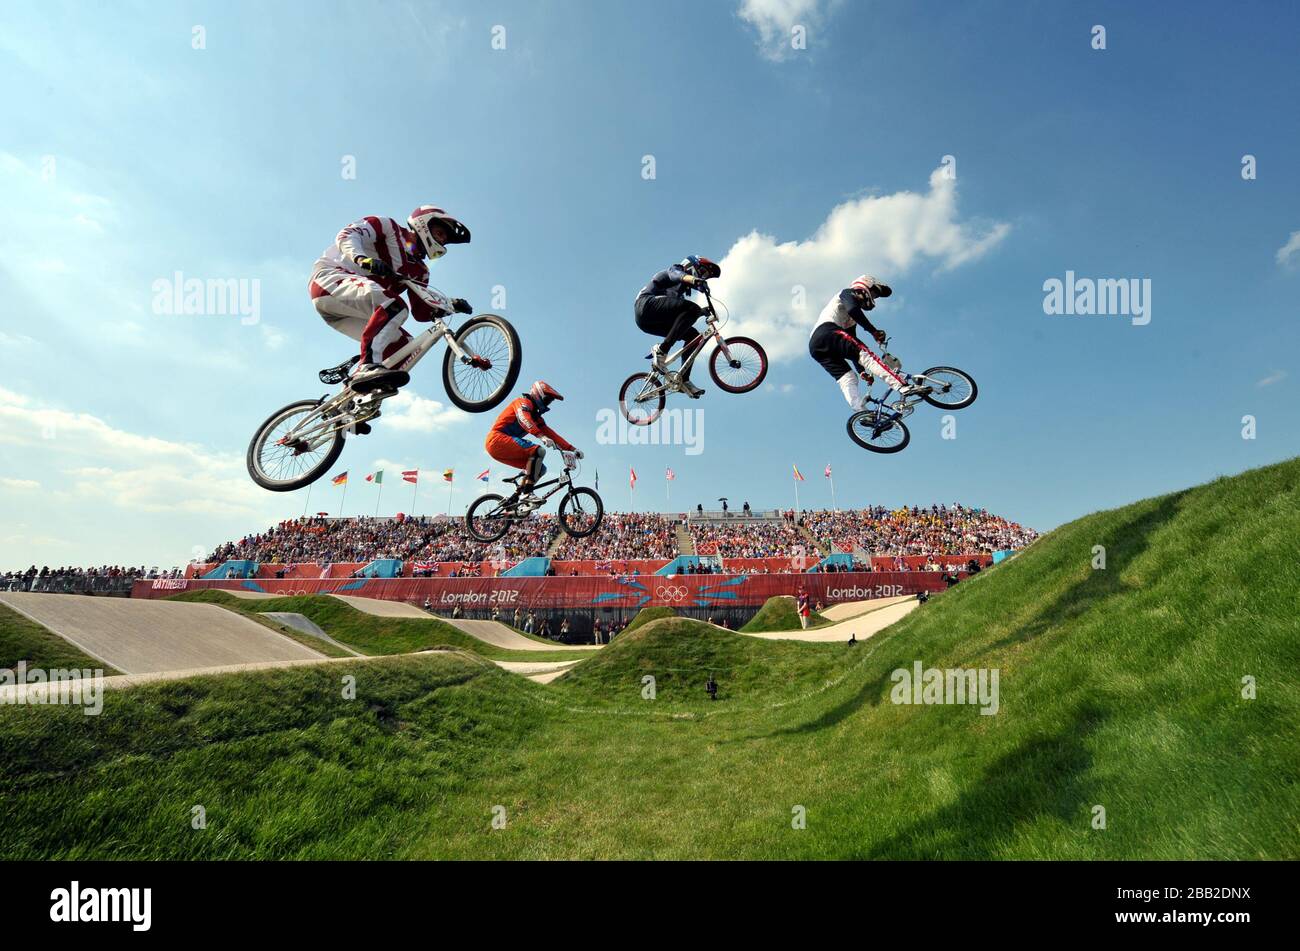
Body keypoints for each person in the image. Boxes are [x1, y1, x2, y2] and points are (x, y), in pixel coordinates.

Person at [310, 206, 473, 393]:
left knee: (405, 350)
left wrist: (451, 304)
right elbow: (347, 235)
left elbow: (421, 311)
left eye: (446, 239)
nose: (443, 240)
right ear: (423, 222)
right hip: (329, 279)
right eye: (440, 232)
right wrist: (362, 259)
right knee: (395, 305)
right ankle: (367, 365)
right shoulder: (388, 227)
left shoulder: (421, 271)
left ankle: (351, 404)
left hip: (347, 312)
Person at [808, 275, 924, 411]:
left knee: (848, 377)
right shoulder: (847, 293)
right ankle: (902, 386)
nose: (873, 298)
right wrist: (873, 331)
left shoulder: (851, 320)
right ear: (866, 285)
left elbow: (852, 343)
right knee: (867, 356)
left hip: (816, 346)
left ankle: (861, 412)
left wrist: (861, 371)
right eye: (874, 293)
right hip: (827, 331)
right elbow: (853, 310)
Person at [633, 255, 721, 398]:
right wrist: (694, 280)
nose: (703, 277)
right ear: (692, 266)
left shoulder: (678, 294)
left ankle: (683, 379)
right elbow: (677, 275)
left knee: (694, 336)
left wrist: (701, 312)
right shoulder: (674, 270)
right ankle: (661, 351)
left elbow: (680, 316)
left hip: (649, 322)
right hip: (645, 305)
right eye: (703, 272)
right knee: (691, 308)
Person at [485, 381, 582, 503]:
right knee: (538, 451)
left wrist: (572, 449)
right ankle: (527, 493)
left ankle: (515, 498)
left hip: (502, 446)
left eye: (550, 401)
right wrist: (540, 436)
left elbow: (551, 434)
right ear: (538, 394)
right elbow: (523, 418)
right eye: (547, 399)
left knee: (540, 469)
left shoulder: (537, 417)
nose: (548, 403)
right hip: (496, 439)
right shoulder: (522, 402)